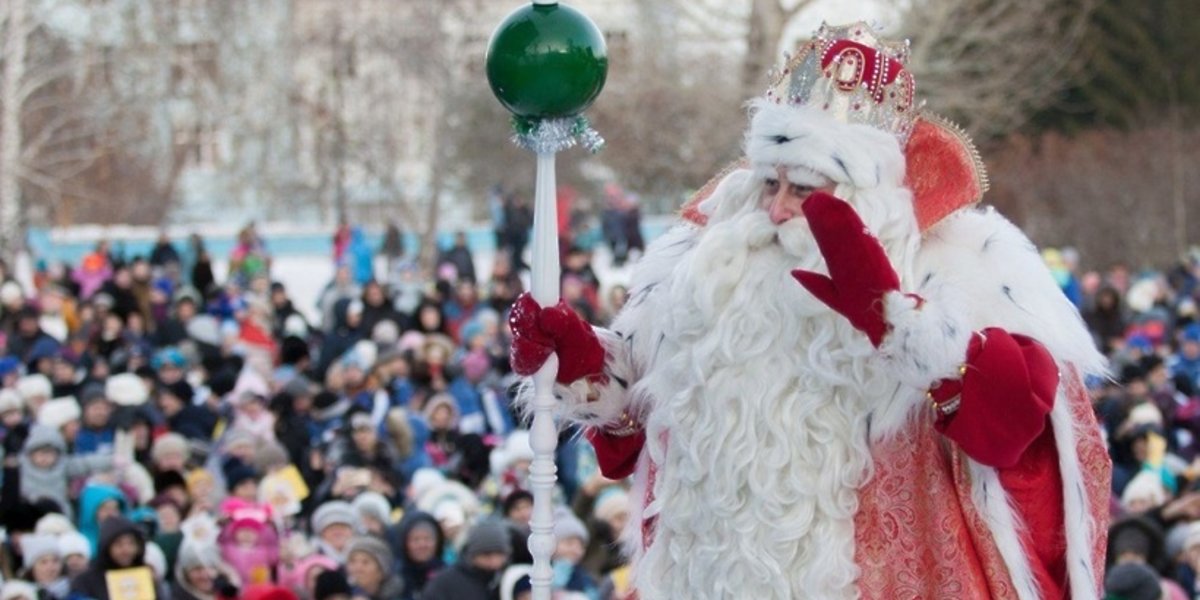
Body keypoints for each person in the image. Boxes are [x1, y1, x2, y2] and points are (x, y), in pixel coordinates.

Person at [509, 22, 1109, 599]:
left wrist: (903, 326)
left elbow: (1022, 435)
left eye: (805, 192)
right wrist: (584, 365)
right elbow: (637, 437)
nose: (775, 213)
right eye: (770, 184)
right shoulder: (699, 275)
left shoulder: (961, 268)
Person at [69, 515, 168, 599]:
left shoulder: (146, 577)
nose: (126, 550)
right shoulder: (86, 582)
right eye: (119, 544)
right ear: (107, 547)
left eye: (131, 543)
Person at [422, 519, 510, 600]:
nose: (493, 562)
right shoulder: (445, 584)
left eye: (499, 554)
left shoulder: (508, 579)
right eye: (486, 555)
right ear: (473, 555)